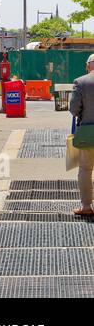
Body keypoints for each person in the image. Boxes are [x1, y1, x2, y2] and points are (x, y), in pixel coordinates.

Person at [70, 53, 94, 218]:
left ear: (88, 66)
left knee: (85, 169)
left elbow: (73, 110)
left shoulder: (81, 82)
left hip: (88, 133)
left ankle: (86, 206)